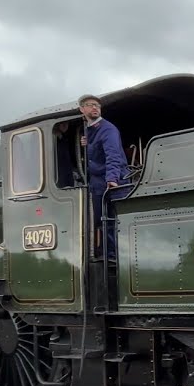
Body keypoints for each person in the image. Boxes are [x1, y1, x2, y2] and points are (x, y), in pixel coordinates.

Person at [77, 94, 126, 261]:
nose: (95, 107)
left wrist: (112, 178)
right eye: (90, 105)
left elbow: (113, 155)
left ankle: (113, 256)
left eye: (97, 105)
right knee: (100, 220)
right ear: (82, 109)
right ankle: (104, 253)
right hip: (97, 181)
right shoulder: (89, 130)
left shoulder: (108, 129)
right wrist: (87, 142)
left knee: (111, 219)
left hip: (112, 180)